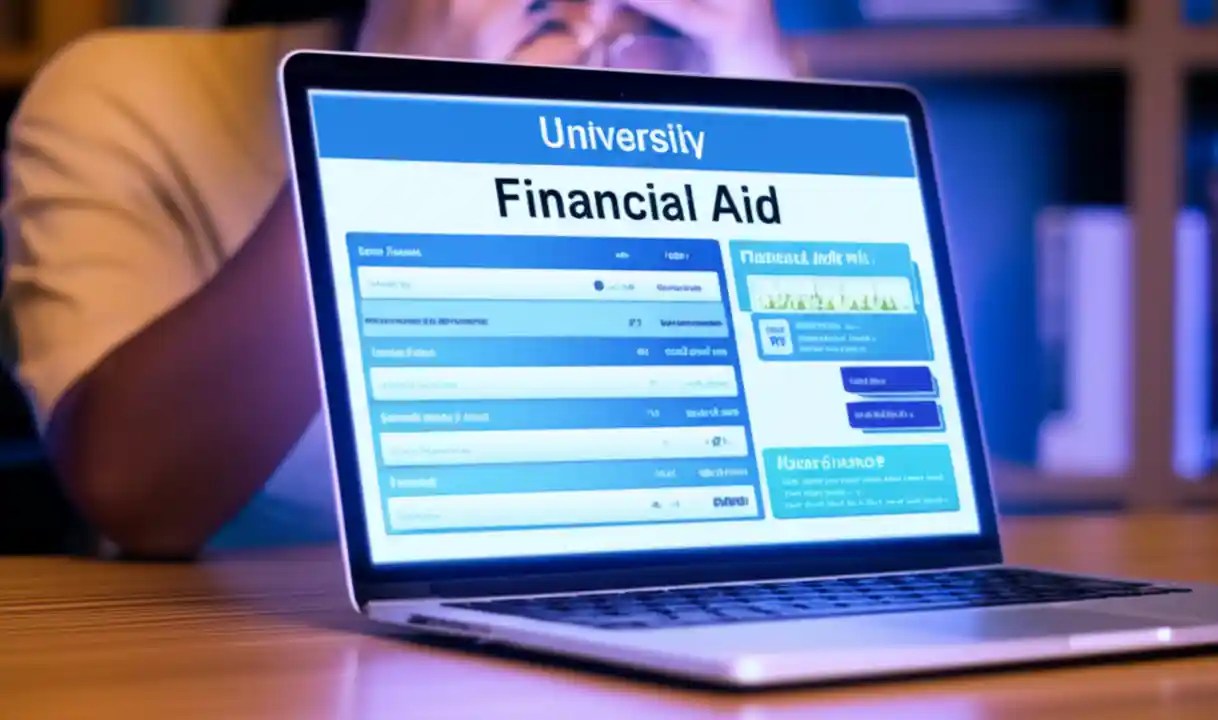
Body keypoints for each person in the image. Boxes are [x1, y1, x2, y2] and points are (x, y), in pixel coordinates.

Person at [0, 0, 796, 558]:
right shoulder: (127, 100)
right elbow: (138, 496)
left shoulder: (714, 77)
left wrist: (774, 115)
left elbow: (843, 478)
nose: (590, 28)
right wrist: (382, 107)